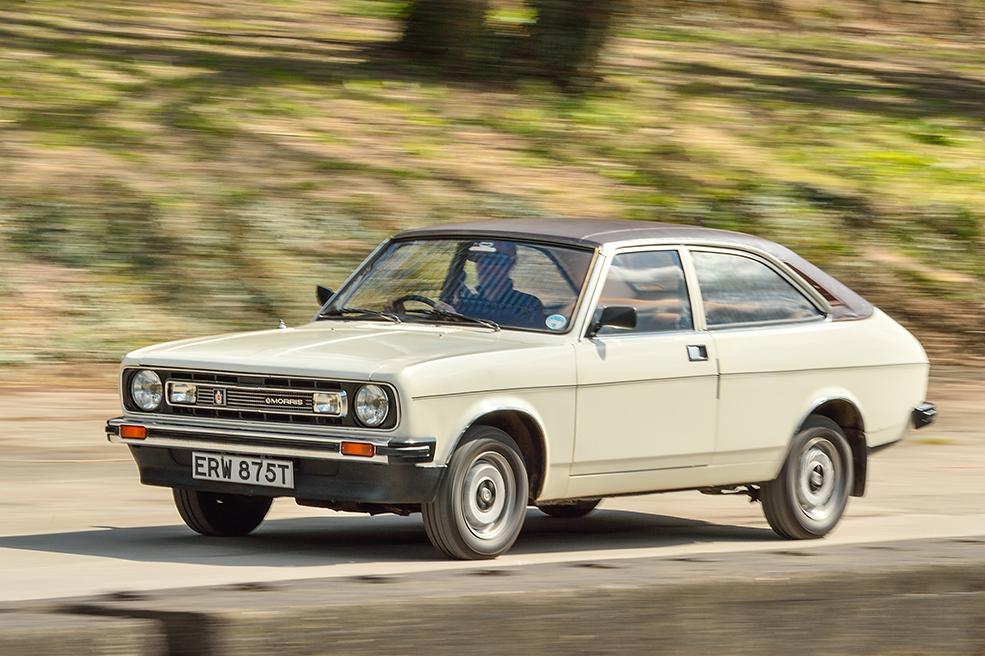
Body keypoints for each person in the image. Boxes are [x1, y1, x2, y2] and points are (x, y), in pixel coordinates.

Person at [449, 241, 544, 329]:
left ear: (510, 263)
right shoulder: (466, 302)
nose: (485, 267)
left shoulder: (528, 305)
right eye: (480, 259)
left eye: (494, 260)